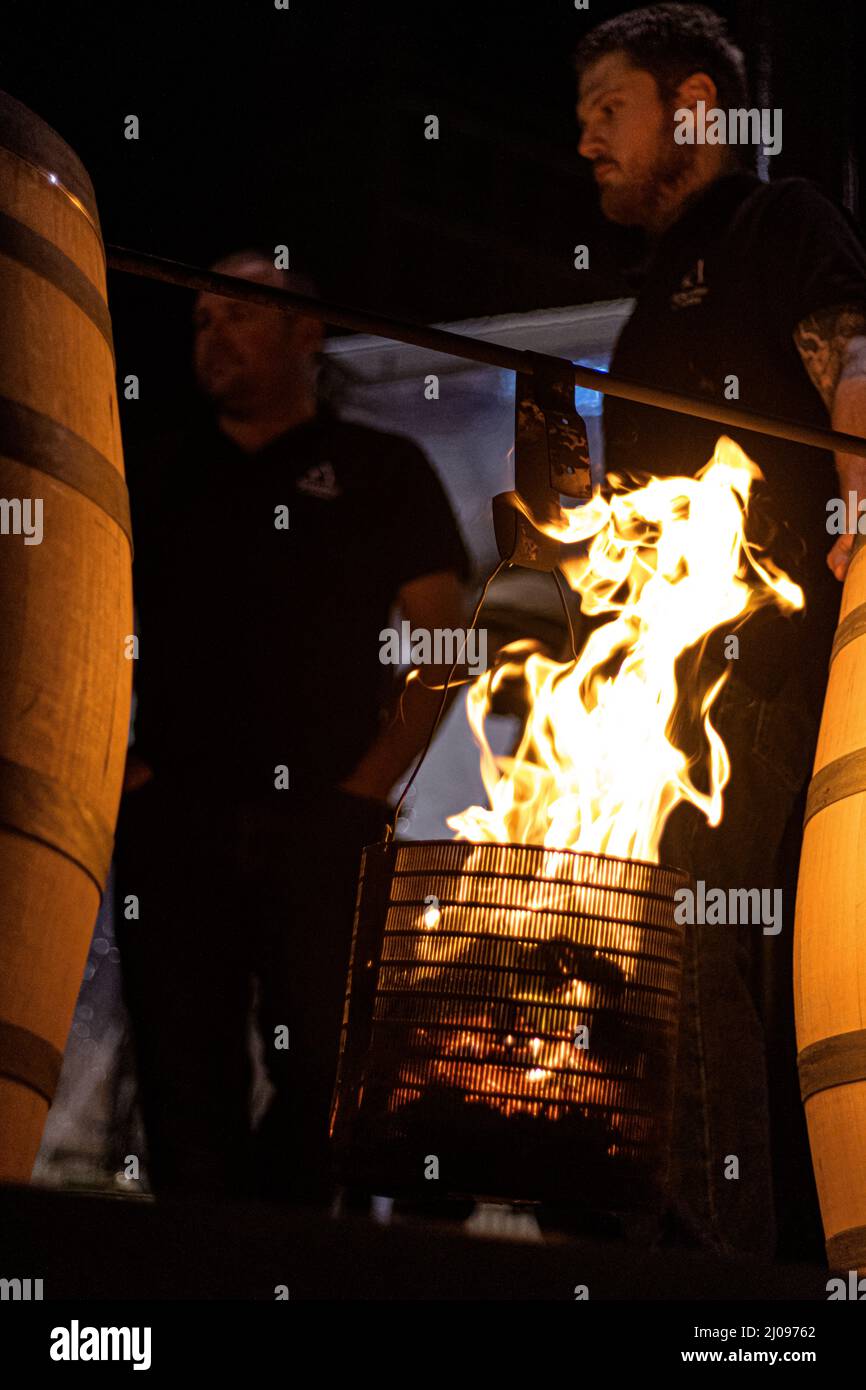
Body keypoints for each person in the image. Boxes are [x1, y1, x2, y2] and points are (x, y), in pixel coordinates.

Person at [575, 4, 866, 1258]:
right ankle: (731, 1262)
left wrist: (863, 501)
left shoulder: (777, 220)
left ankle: (738, 1285)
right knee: (675, 982)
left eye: (606, 109)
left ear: (693, 106)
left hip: (770, 673)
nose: (581, 139)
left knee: (713, 968)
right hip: (665, 703)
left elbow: (855, 352)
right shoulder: (644, 316)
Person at [115, 249, 469, 1206]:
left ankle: (276, 1261)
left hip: (325, 823)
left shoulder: (379, 469)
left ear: (307, 332)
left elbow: (447, 642)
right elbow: (74, 611)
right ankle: (204, 1268)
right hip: (174, 818)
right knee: (185, 1091)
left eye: (237, 312)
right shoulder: (154, 466)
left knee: (326, 1074)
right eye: (199, 320)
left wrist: (365, 792)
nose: (213, 334)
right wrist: (125, 766)